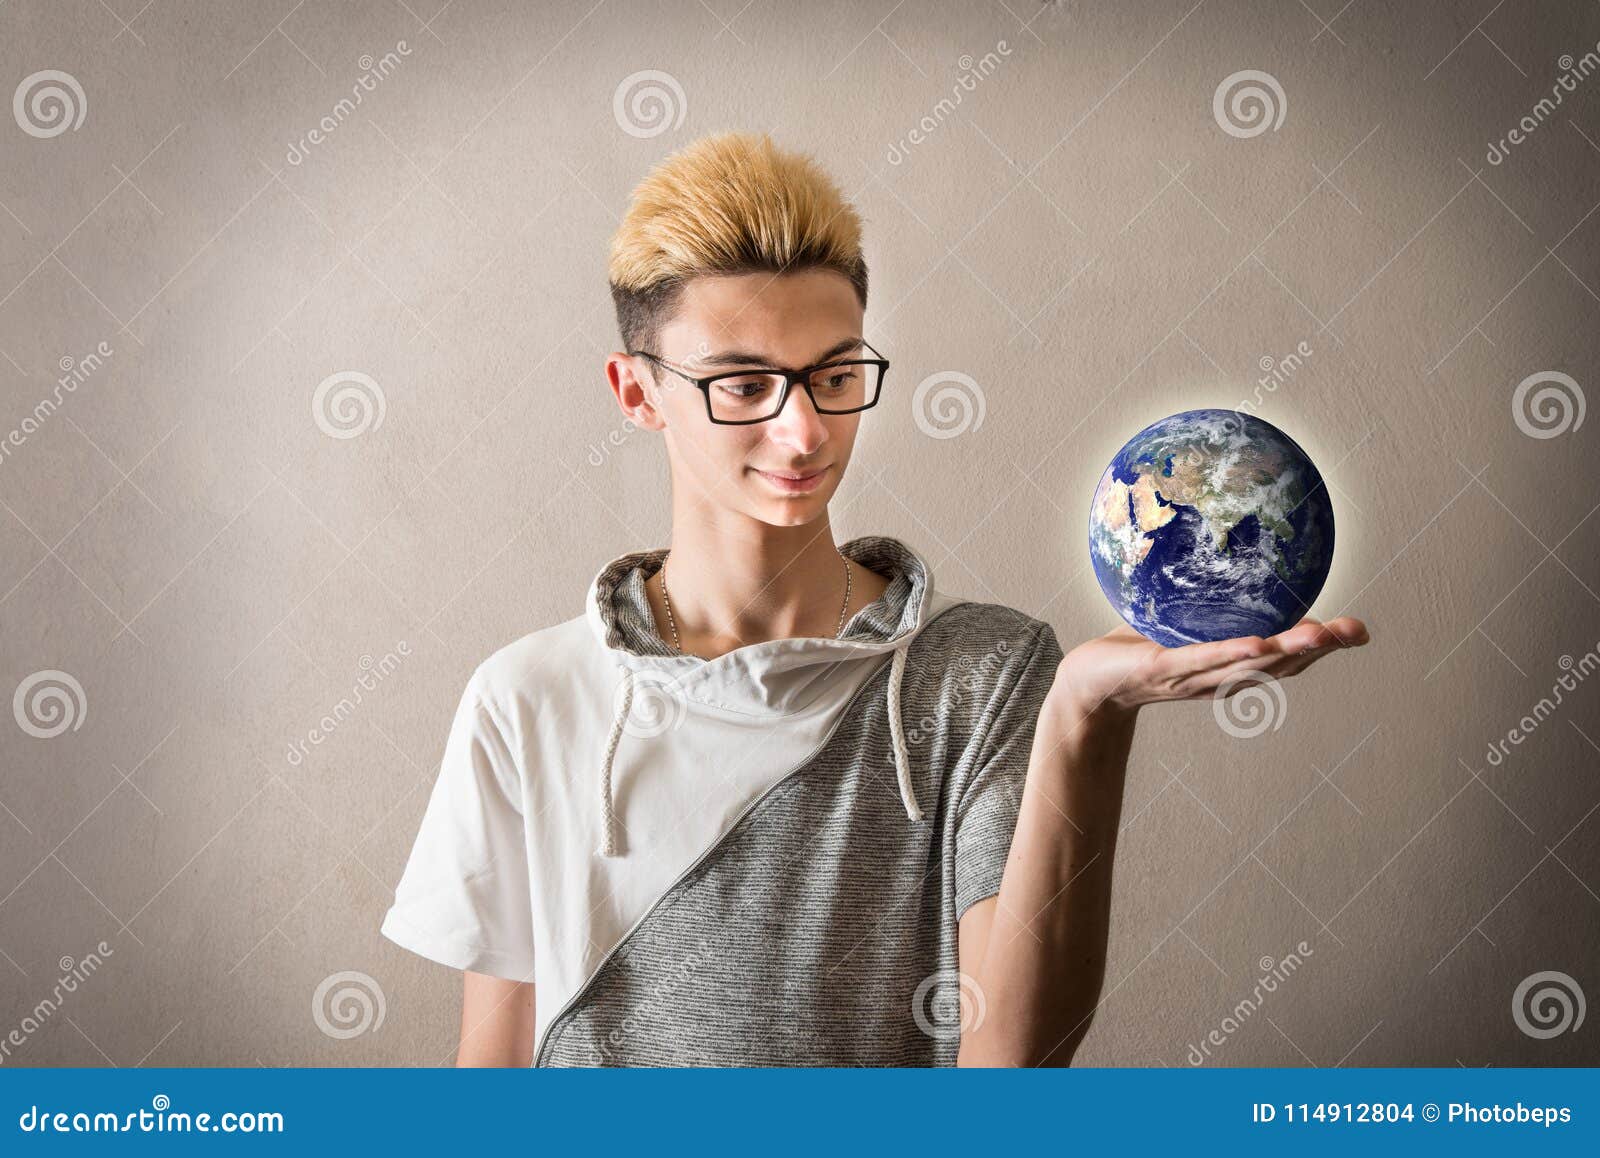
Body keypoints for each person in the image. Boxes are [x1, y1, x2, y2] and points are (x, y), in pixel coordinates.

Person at [378, 130, 1371, 1067]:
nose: (805, 431)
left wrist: (1088, 717)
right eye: (743, 384)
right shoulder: (528, 698)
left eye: (835, 374)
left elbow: (1010, 1068)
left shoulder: (983, 674)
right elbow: (494, 1075)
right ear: (637, 393)